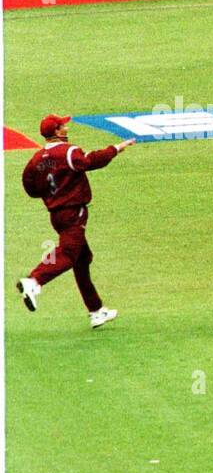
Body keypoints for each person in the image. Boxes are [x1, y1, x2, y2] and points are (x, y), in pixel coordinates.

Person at [17, 114, 135, 328]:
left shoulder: (35, 160)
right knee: (69, 253)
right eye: (63, 125)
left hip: (56, 215)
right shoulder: (69, 151)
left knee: (82, 260)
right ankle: (34, 281)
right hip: (73, 212)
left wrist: (52, 195)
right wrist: (116, 149)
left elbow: (30, 187)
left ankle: (96, 310)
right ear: (56, 131)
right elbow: (90, 161)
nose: (66, 127)